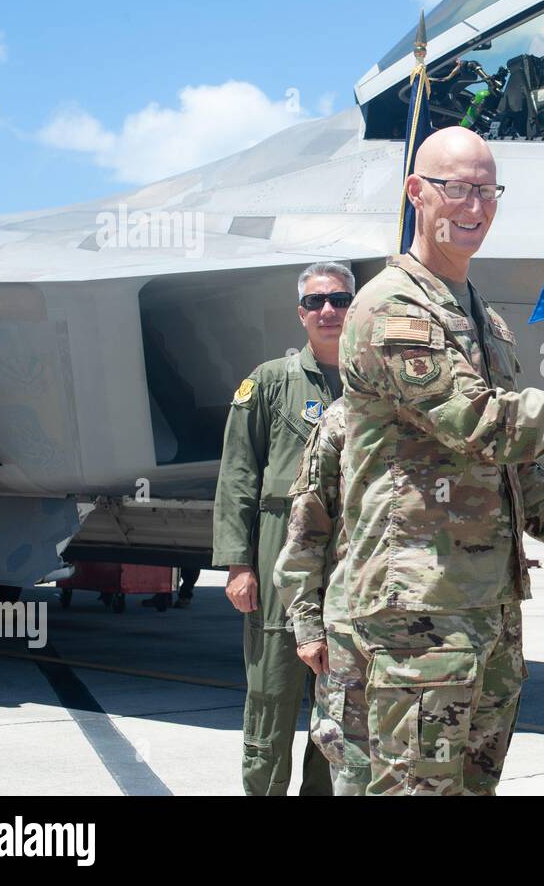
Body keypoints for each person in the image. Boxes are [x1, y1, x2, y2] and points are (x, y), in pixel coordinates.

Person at [339, 126, 544, 795]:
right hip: (420, 618)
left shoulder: (484, 320)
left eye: (486, 190)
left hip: (488, 618)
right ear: (415, 192)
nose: (473, 205)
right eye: (457, 188)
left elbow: (513, 472)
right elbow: (484, 427)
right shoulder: (394, 309)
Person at [212, 260, 355, 796]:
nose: (328, 311)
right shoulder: (270, 382)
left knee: (339, 704)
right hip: (280, 545)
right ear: (301, 313)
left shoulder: (371, 380)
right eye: (317, 301)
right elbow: (238, 476)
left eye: (340, 300)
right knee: (272, 693)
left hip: (349, 556)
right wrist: (239, 564)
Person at [272, 400, 370, 795]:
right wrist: (308, 625)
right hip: (354, 630)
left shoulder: (463, 412)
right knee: (352, 763)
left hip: (441, 641)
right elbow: (306, 533)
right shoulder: (343, 418)